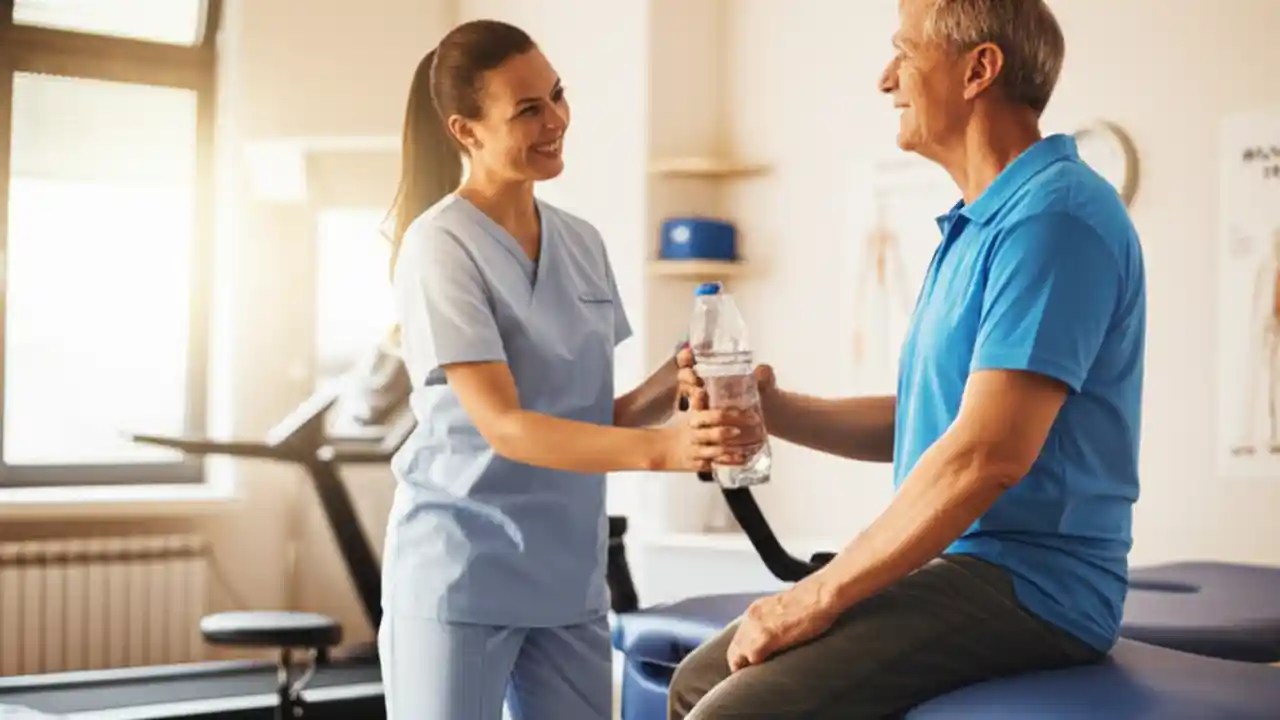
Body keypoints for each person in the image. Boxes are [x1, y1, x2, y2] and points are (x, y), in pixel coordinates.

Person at [669, 0, 1147, 717]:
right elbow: (938, 425)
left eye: (905, 50)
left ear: (979, 69)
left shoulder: (1055, 217)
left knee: (733, 711)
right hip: (963, 567)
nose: (885, 78)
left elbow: (986, 455)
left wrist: (816, 596)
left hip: (1035, 586)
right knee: (699, 682)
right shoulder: (976, 224)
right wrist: (772, 411)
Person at [379, 19, 759, 720]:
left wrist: (673, 382)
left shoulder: (580, 242)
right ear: (466, 131)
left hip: (567, 580)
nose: (555, 119)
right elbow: (510, 428)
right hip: (463, 574)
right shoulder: (439, 247)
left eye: (556, 96)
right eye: (528, 109)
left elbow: (590, 419)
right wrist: (668, 451)